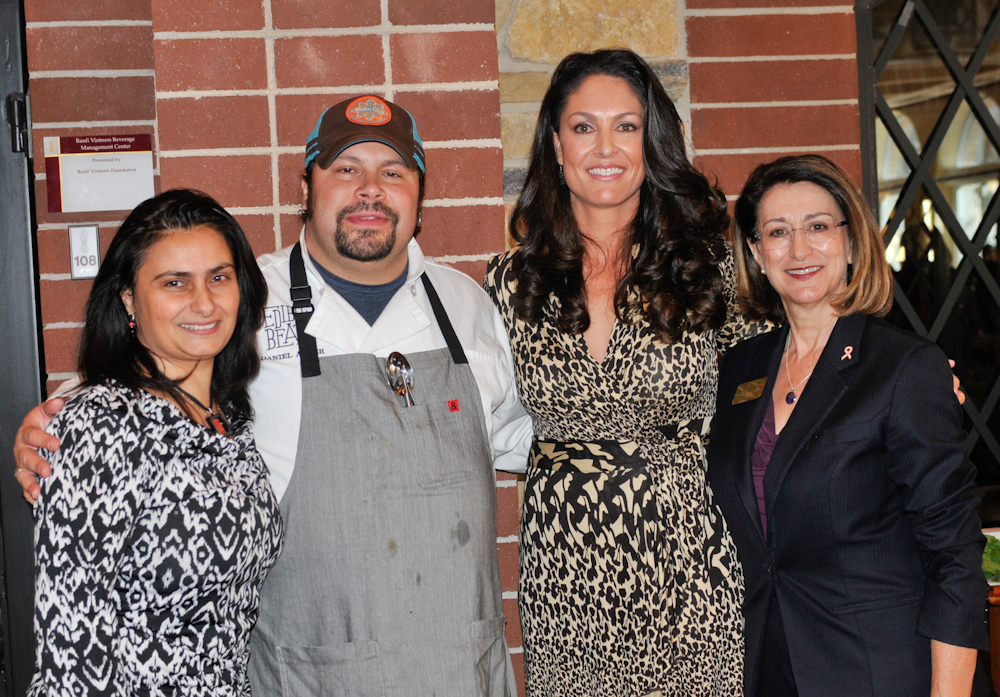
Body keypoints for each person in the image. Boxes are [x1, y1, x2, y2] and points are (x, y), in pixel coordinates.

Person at [16, 96, 532, 696]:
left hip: (460, 672)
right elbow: (146, 368)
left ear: (419, 195)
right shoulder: (247, 297)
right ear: (305, 188)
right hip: (308, 680)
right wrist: (51, 423)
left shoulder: (466, 305)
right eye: (345, 170)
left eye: (393, 172)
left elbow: (518, 434)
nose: (370, 190)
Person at [484, 49, 768, 697]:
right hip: (567, 577)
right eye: (583, 127)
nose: (604, 146)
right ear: (556, 144)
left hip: (691, 567)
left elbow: (787, 372)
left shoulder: (708, 268)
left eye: (626, 126)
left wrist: (890, 377)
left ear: (652, 140)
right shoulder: (510, 284)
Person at [706, 155, 987, 697]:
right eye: (778, 232)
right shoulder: (740, 369)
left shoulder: (902, 367)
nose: (799, 249)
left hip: (885, 671)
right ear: (758, 255)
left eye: (818, 227)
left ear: (852, 242)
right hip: (774, 668)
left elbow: (954, 558)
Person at [23, 189, 283, 695]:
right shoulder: (99, 427)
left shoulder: (229, 421)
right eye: (174, 283)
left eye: (219, 277)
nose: (204, 302)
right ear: (128, 300)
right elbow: (71, 645)